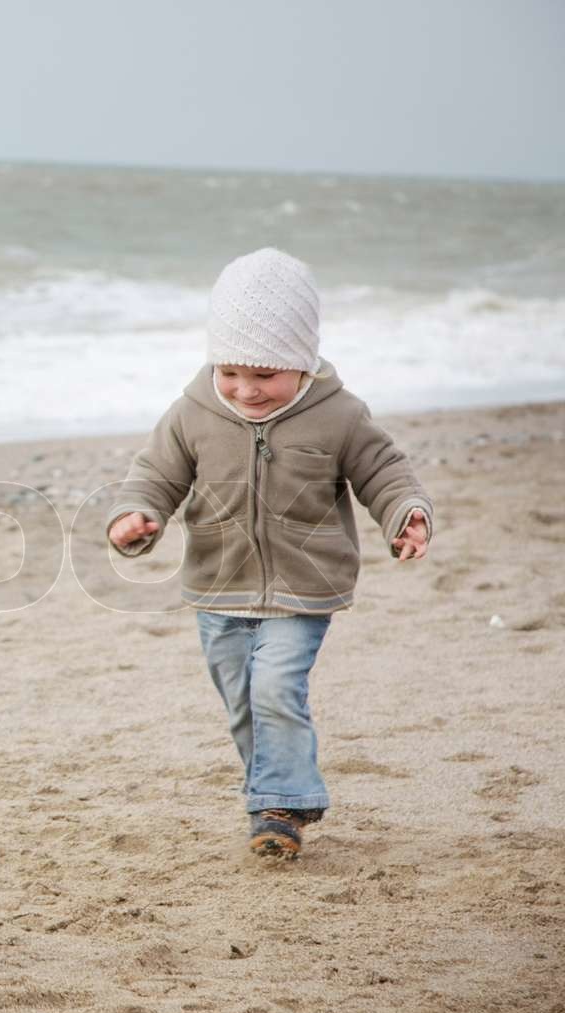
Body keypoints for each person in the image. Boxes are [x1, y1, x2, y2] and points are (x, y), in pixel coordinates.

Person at [107, 247, 431, 859]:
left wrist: (405, 513)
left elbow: (384, 471)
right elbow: (155, 476)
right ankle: (286, 793)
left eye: (265, 375)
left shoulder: (338, 415)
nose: (245, 390)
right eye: (231, 372)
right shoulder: (192, 413)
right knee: (242, 701)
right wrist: (135, 517)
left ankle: (276, 808)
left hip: (304, 586)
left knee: (277, 687)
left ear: (302, 361)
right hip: (218, 584)